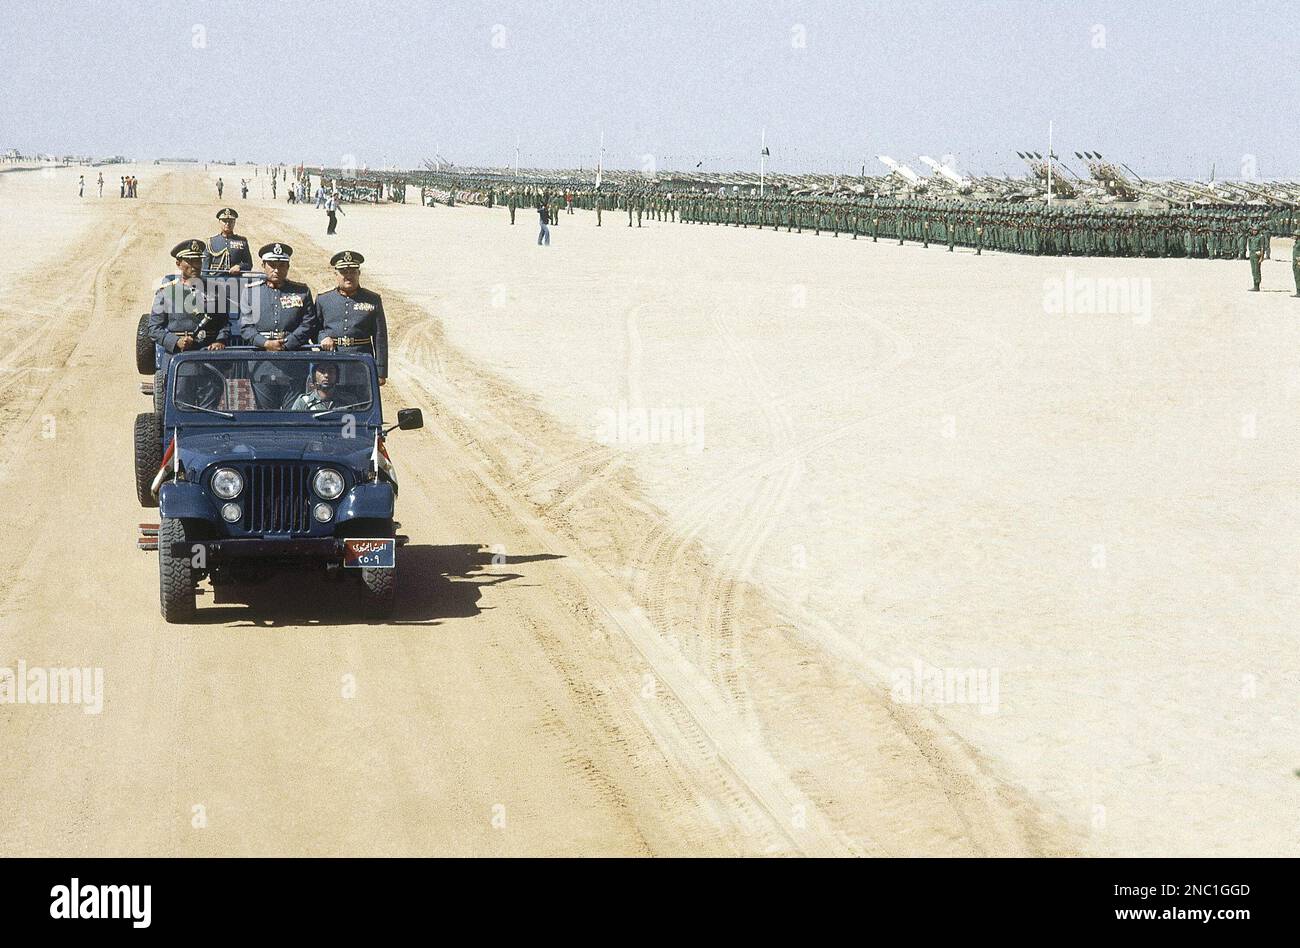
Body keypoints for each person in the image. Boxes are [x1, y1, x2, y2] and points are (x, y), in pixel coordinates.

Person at [148, 239, 229, 404]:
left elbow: (225, 323)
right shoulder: (167, 293)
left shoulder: (215, 290)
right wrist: (176, 341)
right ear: (178, 264)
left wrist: (220, 340)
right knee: (181, 407)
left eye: (198, 260)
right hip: (179, 362)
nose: (196, 265)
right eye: (190, 261)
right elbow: (153, 328)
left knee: (210, 411)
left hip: (209, 361)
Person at [240, 243, 318, 408]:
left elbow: (308, 322)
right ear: (263, 266)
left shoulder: (301, 292)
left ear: (288, 266)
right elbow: (246, 327)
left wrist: (289, 343)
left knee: (294, 414)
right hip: (262, 363)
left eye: (282, 265)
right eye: (272, 265)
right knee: (266, 415)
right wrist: (266, 343)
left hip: (294, 362)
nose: (277, 270)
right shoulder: (251, 291)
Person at [315, 250, 388, 384]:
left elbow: (380, 337)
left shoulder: (372, 299)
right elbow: (314, 327)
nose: (348, 276)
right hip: (331, 363)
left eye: (352, 272)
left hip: (361, 363)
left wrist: (380, 371)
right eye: (344, 272)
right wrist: (323, 337)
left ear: (359, 273)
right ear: (336, 274)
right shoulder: (323, 299)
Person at [202, 208, 254, 275]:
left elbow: (249, 264)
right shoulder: (211, 242)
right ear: (219, 222)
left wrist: (240, 266)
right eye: (224, 221)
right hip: (214, 280)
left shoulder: (242, 241)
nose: (227, 224)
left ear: (234, 222)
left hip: (235, 281)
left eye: (230, 221)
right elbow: (205, 267)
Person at [289, 363, 359, 411]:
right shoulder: (303, 402)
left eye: (330, 371)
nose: (326, 375)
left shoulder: (349, 401)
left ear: (337, 377)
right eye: (322, 371)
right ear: (314, 377)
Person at [1247, 225, 1265, 291]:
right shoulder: (1251, 237)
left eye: (1256, 230)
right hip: (1252, 254)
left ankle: (1257, 286)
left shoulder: (1261, 237)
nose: (1254, 231)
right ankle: (1254, 285)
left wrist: (1262, 257)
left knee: (1257, 270)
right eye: (1253, 230)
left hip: (1257, 255)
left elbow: (1262, 247)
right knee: (1253, 270)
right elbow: (1249, 245)